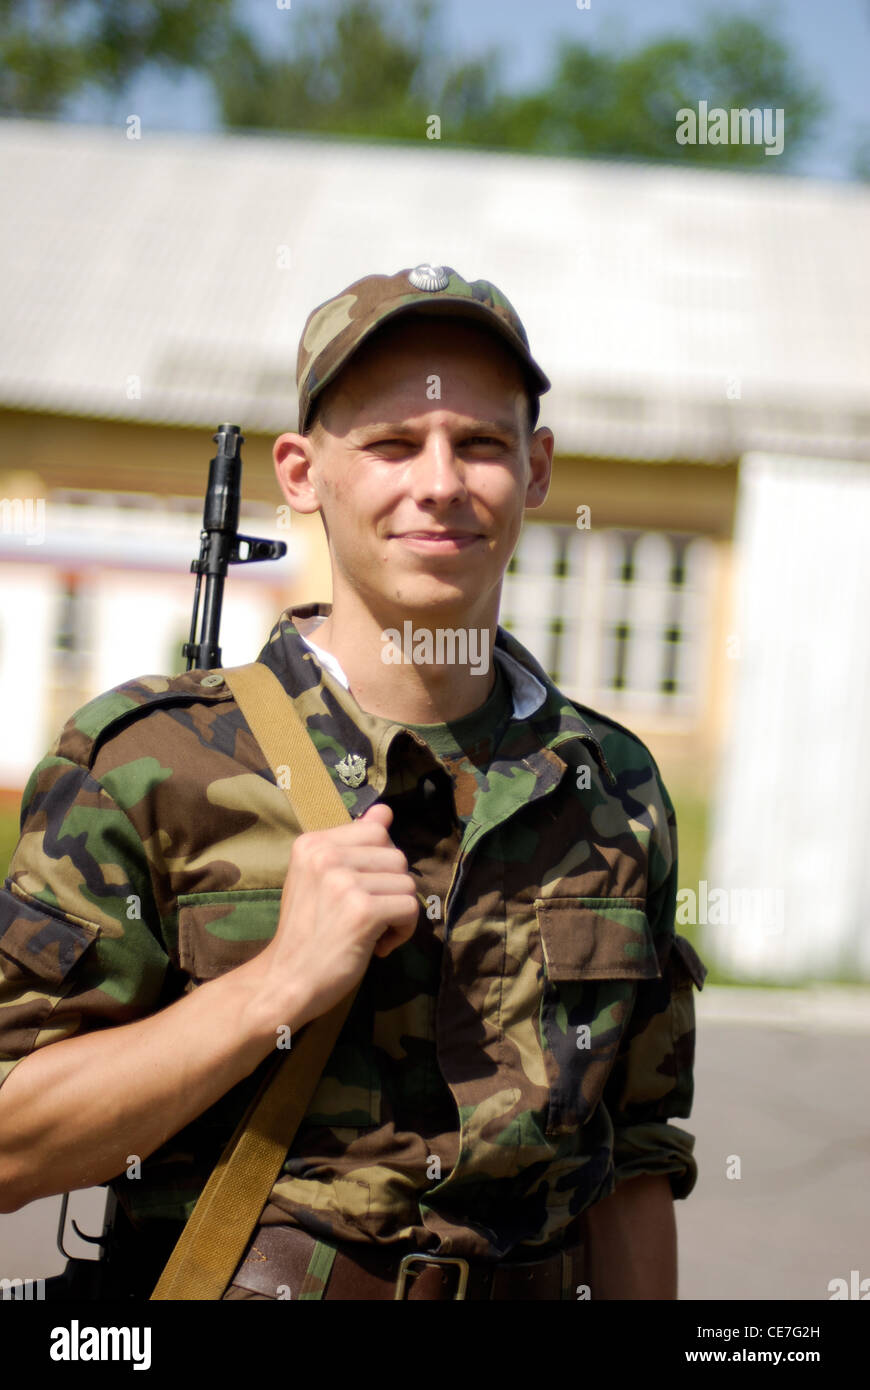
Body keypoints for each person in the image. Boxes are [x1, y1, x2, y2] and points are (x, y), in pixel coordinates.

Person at [0, 264, 706, 1300]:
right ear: (300, 471)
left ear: (538, 467)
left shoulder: (612, 787)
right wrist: (276, 985)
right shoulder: (145, 764)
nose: (439, 481)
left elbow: (634, 1155)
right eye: (389, 444)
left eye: (479, 443)